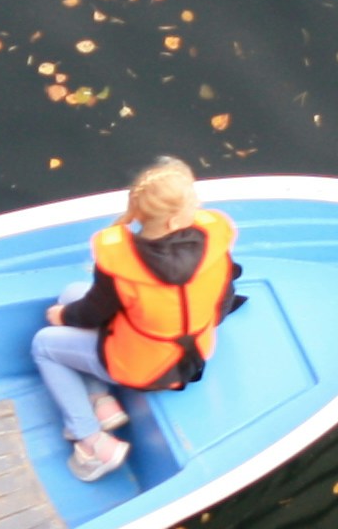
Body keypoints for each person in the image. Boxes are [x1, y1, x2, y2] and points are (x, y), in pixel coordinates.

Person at [33, 157, 239, 480]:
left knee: (44, 344)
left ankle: (93, 444)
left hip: (146, 369)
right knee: (73, 291)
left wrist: (62, 317)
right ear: (174, 223)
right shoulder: (215, 242)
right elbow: (224, 296)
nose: (199, 207)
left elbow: (90, 315)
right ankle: (101, 402)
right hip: (193, 354)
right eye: (193, 203)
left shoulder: (120, 260)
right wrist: (70, 312)